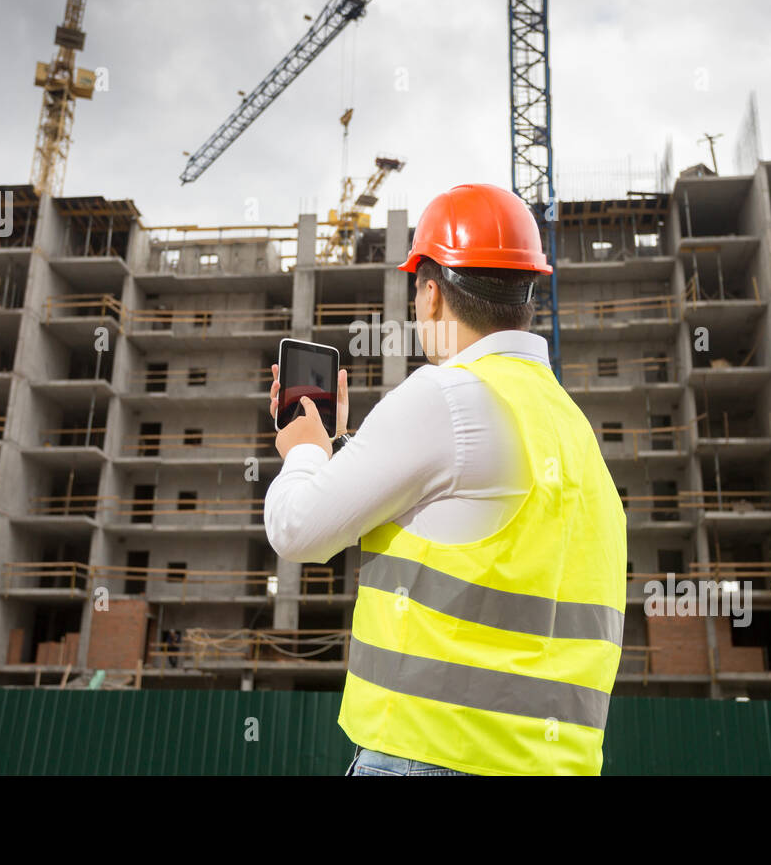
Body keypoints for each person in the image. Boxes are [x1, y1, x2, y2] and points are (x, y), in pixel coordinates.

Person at [264, 183, 627, 776]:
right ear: (526, 292)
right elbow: (466, 514)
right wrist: (346, 451)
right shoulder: (571, 428)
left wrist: (305, 452)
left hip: (428, 755)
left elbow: (297, 530)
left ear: (431, 294)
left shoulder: (446, 396)